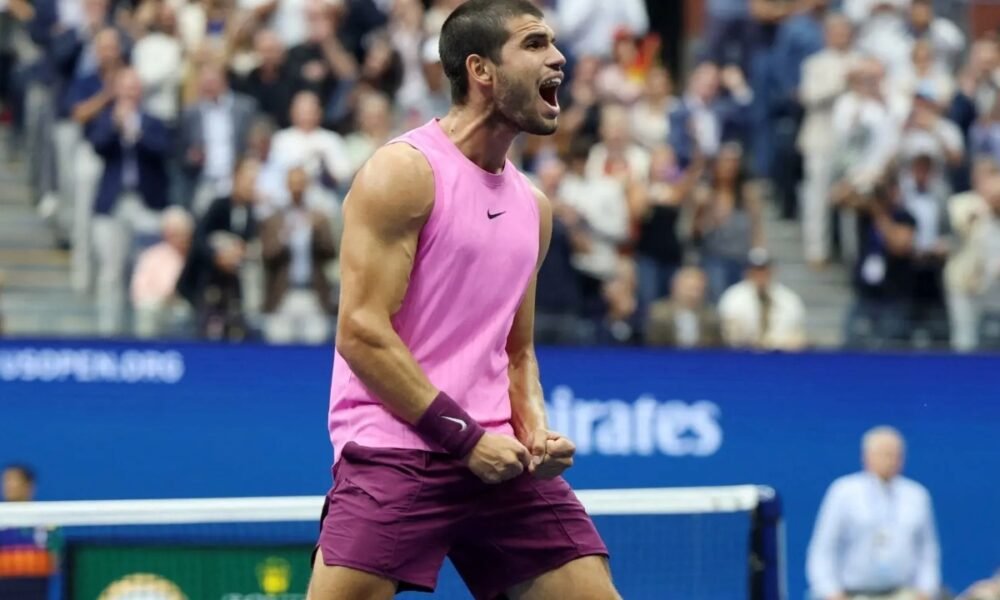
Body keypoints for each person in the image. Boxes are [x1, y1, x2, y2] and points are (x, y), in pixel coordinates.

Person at [310, 1, 618, 599]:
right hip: (396, 449)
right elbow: (362, 333)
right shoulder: (403, 173)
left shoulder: (535, 207)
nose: (557, 57)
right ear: (481, 71)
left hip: (498, 458)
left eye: (552, 43)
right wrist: (465, 439)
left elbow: (517, 349)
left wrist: (535, 433)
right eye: (533, 45)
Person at [807, 426, 940, 600]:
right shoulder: (843, 492)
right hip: (853, 594)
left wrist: (926, 590)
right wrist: (829, 591)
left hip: (902, 594)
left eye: (895, 454)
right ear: (866, 457)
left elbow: (927, 549)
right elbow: (824, 547)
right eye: (883, 454)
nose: (890, 460)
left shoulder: (917, 494)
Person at [718, 248, 807, 351]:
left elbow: (797, 337)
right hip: (744, 357)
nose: (760, 275)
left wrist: (773, 342)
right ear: (747, 272)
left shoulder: (790, 300)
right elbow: (730, 337)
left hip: (780, 357)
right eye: (756, 271)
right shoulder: (732, 298)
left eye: (764, 270)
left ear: (772, 271)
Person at [0, 465, 58, 600]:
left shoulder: (46, 523)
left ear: (29, 485)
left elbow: (55, 561)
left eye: (13, 480)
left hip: (34, 589)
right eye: (5, 480)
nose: (8, 485)